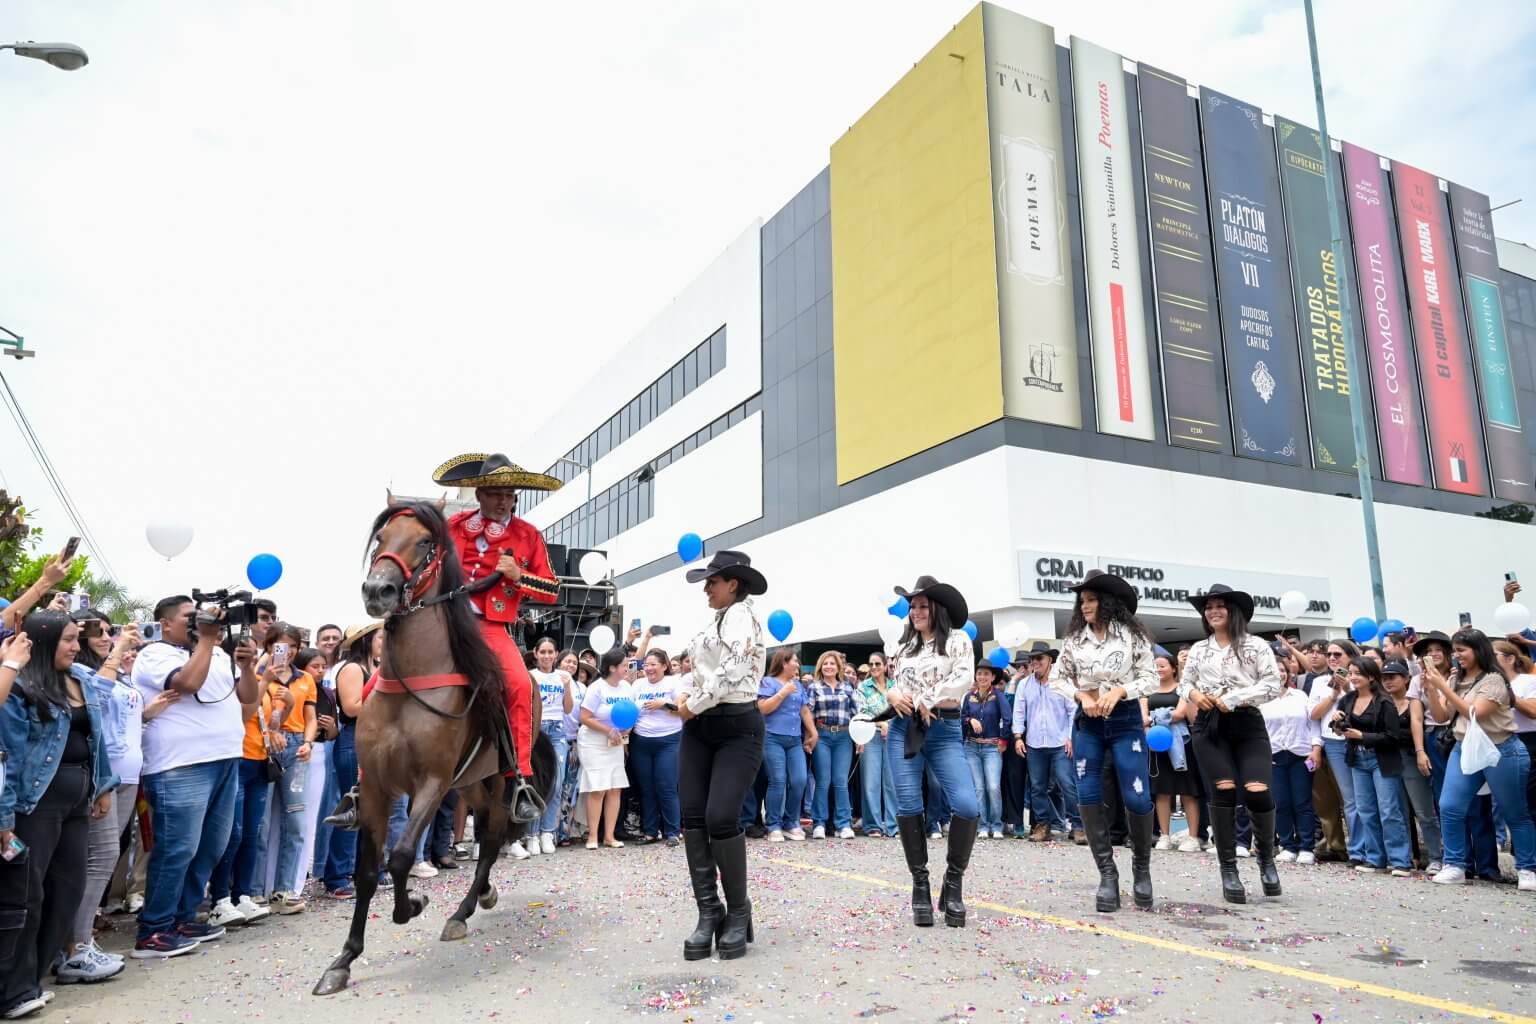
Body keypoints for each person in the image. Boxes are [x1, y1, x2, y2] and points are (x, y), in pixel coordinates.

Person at [431, 453, 564, 823]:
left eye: (510, 494)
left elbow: (551, 590)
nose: (504, 500)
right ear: (479, 493)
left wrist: (519, 575)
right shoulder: (452, 526)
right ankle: (363, 782)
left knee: (521, 685)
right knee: (384, 674)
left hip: (491, 625)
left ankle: (520, 777)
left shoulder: (528, 535)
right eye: (495, 493)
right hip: (444, 619)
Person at [0, 612, 117, 1018]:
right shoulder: (20, 686)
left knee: (69, 888)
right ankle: (13, 988)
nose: (74, 646)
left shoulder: (81, 679)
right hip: (34, 803)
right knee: (27, 896)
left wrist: (102, 785)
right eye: (68, 639)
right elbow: (9, 756)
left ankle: (35, 974)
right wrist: (5, 817)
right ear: (44, 642)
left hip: (78, 798)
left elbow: (97, 737)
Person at [131, 595, 260, 958]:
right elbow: (188, 684)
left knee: (210, 848)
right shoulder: (154, 654)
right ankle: (153, 930)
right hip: (179, 766)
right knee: (177, 849)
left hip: (224, 760)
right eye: (190, 617)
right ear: (165, 623)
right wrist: (205, 640)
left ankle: (183, 917)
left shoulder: (217, 653)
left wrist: (248, 667)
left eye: (200, 616)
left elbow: (247, 699)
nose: (199, 622)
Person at [674, 550, 768, 962]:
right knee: (693, 815)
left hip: (737, 726)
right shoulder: (716, 619)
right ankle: (709, 912)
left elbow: (731, 670)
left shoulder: (742, 616)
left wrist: (694, 702)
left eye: (712, 581)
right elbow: (705, 670)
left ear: (734, 583)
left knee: (720, 816)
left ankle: (738, 912)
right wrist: (686, 694)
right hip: (701, 727)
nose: (706, 589)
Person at [1049, 571, 1158, 913]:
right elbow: (1057, 678)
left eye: (1092, 600)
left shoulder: (1131, 637)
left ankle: (1142, 871)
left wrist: (1122, 691)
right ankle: (1107, 875)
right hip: (1089, 725)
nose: (1086, 607)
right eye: (1082, 601)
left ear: (1108, 602)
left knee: (1137, 796)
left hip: (1125, 720)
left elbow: (1151, 677)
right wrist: (1080, 695)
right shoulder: (1074, 641)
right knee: (1089, 794)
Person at [1179, 584, 1284, 905]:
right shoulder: (1199, 649)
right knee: (1223, 789)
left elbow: (1272, 684)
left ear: (1234, 611)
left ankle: (1266, 859)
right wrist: (1196, 696)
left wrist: (1234, 698)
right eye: (1208, 607)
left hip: (1247, 722)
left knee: (1257, 789)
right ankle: (1229, 869)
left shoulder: (1255, 646)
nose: (1213, 611)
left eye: (1220, 606)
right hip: (1209, 727)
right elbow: (1186, 683)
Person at [886, 576, 979, 929]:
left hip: (944, 728)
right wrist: (892, 695)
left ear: (937, 608)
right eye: (912, 606)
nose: (916, 612)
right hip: (903, 729)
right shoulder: (904, 645)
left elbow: (963, 679)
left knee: (967, 805)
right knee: (909, 805)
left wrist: (926, 699)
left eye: (922, 606)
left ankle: (953, 884)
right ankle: (920, 885)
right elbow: (897, 686)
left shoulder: (958, 640)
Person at [58, 616, 142, 983]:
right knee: (98, 857)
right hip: (98, 777)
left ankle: (79, 940)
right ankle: (76, 945)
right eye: (99, 633)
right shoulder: (78, 674)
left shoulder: (119, 674)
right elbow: (99, 697)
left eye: (111, 632)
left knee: (105, 857)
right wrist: (121, 649)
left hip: (125, 774)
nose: (108, 638)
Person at [1421, 629, 1536, 889]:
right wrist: (1431, 690)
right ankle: (1455, 865)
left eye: (1462, 650)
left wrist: (1442, 686)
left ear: (1478, 650)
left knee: (1514, 812)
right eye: (1455, 650)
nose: (1457, 655)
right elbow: (1441, 717)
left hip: (1501, 749)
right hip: (1464, 747)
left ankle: (1528, 869)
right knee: (1449, 806)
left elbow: (1476, 713)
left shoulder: (1494, 678)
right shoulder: (1454, 679)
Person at [1331, 657, 1411, 875]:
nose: (1353, 677)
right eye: (1351, 673)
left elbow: (1393, 737)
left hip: (1381, 759)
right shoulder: (1347, 699)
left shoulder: (1384, 702)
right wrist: (1337, 722)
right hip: (1357, 759)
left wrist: (1362, 736)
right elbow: (1338, 730)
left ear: (1371, 677)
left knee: (1389, 811)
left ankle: (1400, 860)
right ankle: (1375, 858)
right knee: (1365, 810)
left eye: (1358, 673)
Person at [258, 626, 318, 910]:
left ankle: (283, 891)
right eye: (281, 645)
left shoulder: (305, 677)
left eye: (293, 645)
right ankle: (254, 891)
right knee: (261, 825)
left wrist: (308, 742)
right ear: (269, 646)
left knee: (295, 822)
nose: (288, 651)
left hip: (296, 749)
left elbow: (311, 716)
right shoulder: (258, 672)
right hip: (263, 747)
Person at [1013, 642, 1082, 845]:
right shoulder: (1025, 684)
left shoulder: (1061, 683)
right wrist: (1018, 737)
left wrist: (1071, 737)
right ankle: (1043, 825)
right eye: (1033, 660)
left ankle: (1078, 825)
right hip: (1035, 742)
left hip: (1060, 742)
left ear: (1050, 660)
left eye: (1039, 659)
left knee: (1067, 783)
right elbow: (1019, 711)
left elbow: (1072, 711)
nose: (1036, 663)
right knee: (1037, 787)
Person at [1382, 659, 1442, 873]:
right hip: (1389, 760)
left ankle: (1436, 856)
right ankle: (1405, 857)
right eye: (1385, 678)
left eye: (1393, 677)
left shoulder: (1414, 700)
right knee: (1398, 811)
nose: (1388, 682)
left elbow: (1418, 726)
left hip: (1411, 757)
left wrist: (1419, 752)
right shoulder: (1383, 702)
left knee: (1424, 811)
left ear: (1406, 678)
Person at [1258, 663, 1320, 865]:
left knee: (1302, 802)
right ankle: (1287, 845)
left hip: (1300, 753)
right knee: (1281, 803)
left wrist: (1316, 748)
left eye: (1282, 670)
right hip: (1273, 755)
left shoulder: (1300, 696)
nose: (1279, 674)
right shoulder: (1260, 700)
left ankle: (1307, 847)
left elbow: (1313, 723)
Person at [1144, 648, 1203, 853]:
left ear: (1173, 669)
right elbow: (1143, 718)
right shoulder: (1147, 690)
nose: (1158, 669)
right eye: (1155, 666)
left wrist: (1153, 718)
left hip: (1182, 745)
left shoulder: (1182, 689)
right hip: (1156, 746)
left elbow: (1179, 713)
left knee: (1188, 790)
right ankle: (1164, 834)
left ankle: (1193, 836)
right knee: (1162, 791)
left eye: (1162, 665)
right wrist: (1154, 721)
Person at [577, 649, 635, 850]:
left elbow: (630, 713)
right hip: (593, 741)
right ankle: (592, 835)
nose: (627, 669)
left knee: (614, 788)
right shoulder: (597, 688)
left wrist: (627, 728)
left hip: (616, 743)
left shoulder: (627, 687)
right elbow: (584, 717)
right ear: (612, 668)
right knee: (598, 787)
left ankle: (609, 836)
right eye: (624, 666)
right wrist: (607, 730)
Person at [528, 637, 576, 856]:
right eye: (543, 652)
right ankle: (531, 835)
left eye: (551, 652)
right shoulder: (530, 676)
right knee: (535, 784)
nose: (547, 656)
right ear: (536, 654)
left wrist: (567, 686)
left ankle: (548, 832)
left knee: (556, 784)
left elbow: (568, 709)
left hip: (557, 732)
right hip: (536, 732)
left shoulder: (562, 677)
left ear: (556, 655)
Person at [630, 648, 684, 846]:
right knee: (647, 788)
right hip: (641, 740)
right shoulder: (637, 684)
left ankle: (673, 832)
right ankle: (650, 831)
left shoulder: (673, 682)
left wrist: (664, 704)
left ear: (664, 666)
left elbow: (681, 708)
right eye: (647, 664)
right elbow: (628, 711)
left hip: (668, 740)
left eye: (654, 664)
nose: (649, 668)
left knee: (667, 786)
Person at [757, 649, 811, 842]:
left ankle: (790, 822)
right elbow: (763, 708)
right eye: (795, 661)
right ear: (783, 663)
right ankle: (773, 825)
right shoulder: (767, 682)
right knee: (778, 781)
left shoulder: (798, 684)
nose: (797, 665)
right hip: (772, 738)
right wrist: (782, 693)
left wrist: (812, 733)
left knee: (799, 780)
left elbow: (804, 710)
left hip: (795, 739)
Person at [806, 651, 857, 839]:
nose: (829, 666)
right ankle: (819, 822)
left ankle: (843, 824)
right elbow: (809, 713)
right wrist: (810, 736)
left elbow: (855, 714)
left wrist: (859, 740)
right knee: (823, 780)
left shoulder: (848, 687)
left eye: (832, 664)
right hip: (822, 735)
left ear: (838, 667)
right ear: (820, 666)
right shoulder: (814, 687)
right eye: (825, 663)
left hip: (844, 736)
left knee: (841, 781)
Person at [962, 661, 1012, 839]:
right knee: (979, 788)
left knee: (993, 787)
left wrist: (1004, 739)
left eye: (986, 674)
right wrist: (970, 721)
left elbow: (1008, 718)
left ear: (992, 677)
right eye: (979, 673)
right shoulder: (969, 696)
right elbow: (962, 718)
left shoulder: (998, 696)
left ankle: (996, 824)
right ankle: (982, 825)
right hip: (972, 747)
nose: (982, 677)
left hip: (992, 747)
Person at [855, 652, 899, 838]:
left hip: (893, 736)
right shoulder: (863, 687)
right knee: (871, 782)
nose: (874, 667)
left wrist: (890, 724)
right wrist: (881, 723)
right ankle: (872, 824)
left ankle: (893, 825)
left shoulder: (894, 685)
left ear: (884, 665)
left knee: (892, 783)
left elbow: (901, 708)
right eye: (871, 664)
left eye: (877, 663)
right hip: (870, 735)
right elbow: (862, 711)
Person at [1498, 640, 1536, 823]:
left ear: (1510, 658)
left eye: (1494, 655)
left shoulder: (1528, 681)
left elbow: (1533, 711)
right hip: (1501, 742)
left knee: (1530, 801)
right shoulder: (1488, 683)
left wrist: (1507, 690)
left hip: (1528, 742)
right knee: (1511, 804)